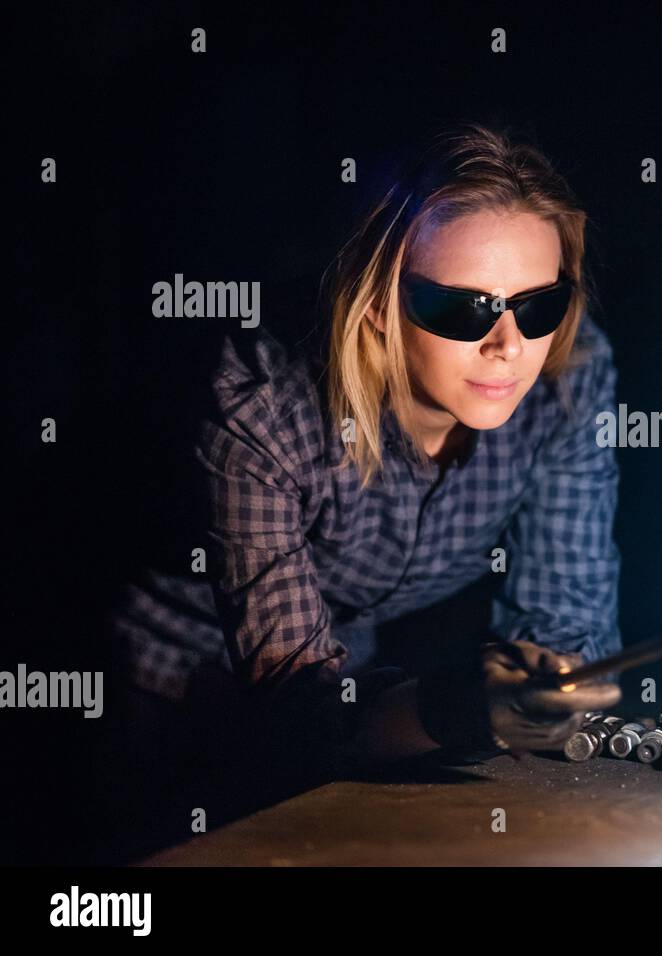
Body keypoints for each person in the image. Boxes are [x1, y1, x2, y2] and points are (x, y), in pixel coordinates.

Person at [103, 121, 623, 817]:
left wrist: (547, 693)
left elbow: (568, 633)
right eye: (463, 308)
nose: (510, 345)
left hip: (350, 686)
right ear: (377, 302)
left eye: (540, 305)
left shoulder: (566, 374)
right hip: (167, 685)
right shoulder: (262, 397)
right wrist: (459, 709)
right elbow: (293, 708)